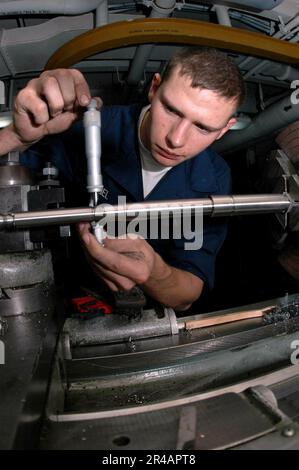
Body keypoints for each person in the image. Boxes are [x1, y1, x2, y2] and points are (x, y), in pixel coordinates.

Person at [0, 47, 244, 311]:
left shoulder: (214, 176)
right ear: (154, 88)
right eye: (172, 110)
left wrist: (153, 272)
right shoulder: (89, 127)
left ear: (224, 129)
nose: (176, 139)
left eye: (203, 127)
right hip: (64, 291)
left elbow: (187, 292)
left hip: (147, 312)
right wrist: (16, 136)